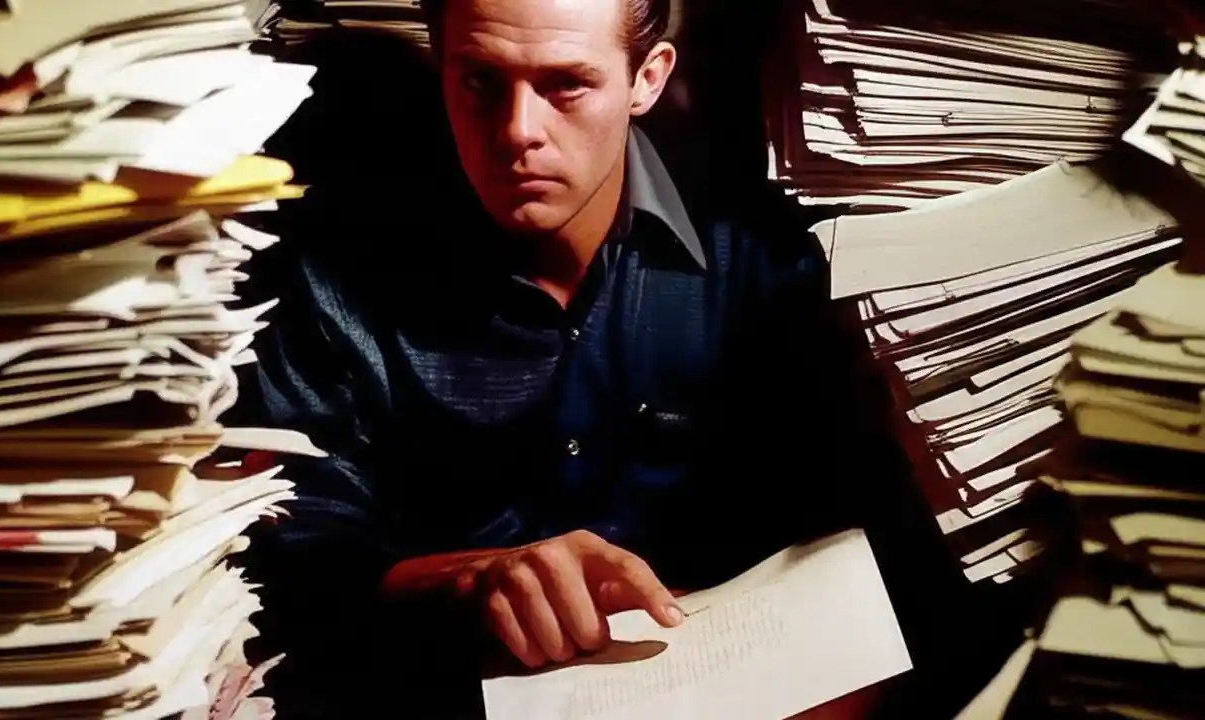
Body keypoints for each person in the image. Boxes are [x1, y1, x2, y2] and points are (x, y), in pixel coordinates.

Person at [233, 0, 991, 717]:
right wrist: (465, 580)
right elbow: (289, 549)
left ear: (647, 78)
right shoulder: (332, 276)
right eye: (480, 81)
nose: (516, 131)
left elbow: (872, 518)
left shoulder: (758, 257)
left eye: (567, 85)